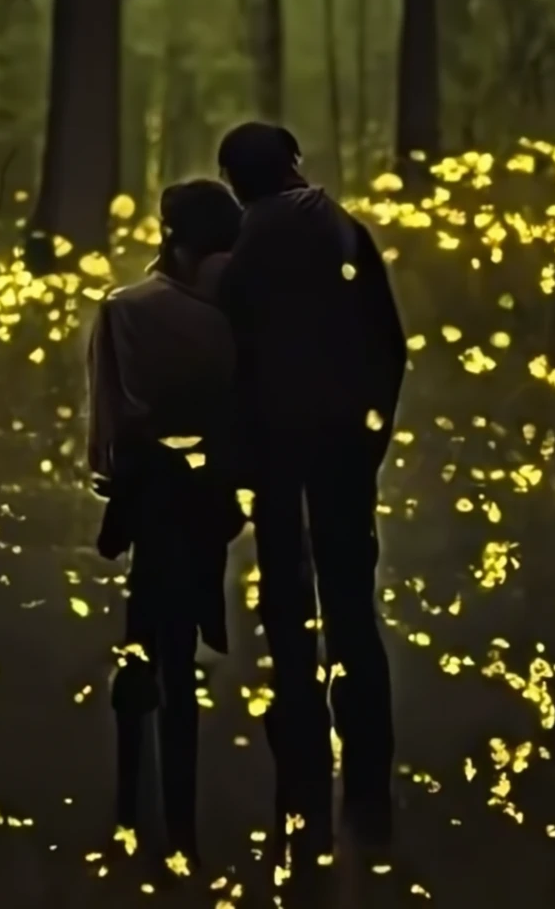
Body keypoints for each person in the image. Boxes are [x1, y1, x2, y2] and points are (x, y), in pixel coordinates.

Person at [216, 122, 407, 864]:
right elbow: (390, 348)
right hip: (342, 457)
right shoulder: (345, 232)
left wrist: (236, 464)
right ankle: (368, 795)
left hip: (274, 458)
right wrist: (369, 442)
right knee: (354, 614)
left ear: (237, 180)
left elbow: (225, 361)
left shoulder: (244, 253)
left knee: (290, 620)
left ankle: (301, 789)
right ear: (295, 164)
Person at [87, 179, 245, 865]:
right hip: (202, 497)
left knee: (147, 642)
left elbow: (113, 422)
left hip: (151, 496)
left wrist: (117, 482)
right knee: (175, 654)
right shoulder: (233, 316)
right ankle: (173, 823)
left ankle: (138, 812)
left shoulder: (127, 308)